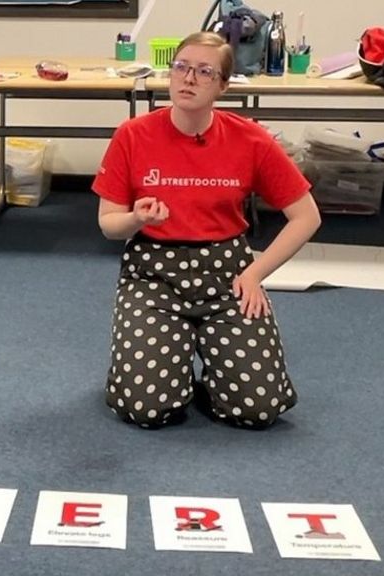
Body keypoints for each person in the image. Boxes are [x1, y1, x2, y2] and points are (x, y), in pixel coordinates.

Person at [92, 31, 321, 429]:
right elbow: (109, 225)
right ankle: (173, 366)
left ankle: (208, 372)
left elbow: (307, 217)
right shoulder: (133, 135)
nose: (189, 79)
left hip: (227, 272)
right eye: (181, 67)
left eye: (204, 71)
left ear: (223, 85)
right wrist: (136, 220)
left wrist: (254, 274)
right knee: (146, 408)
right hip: (154, 274)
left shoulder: (250, 139)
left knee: (257, 409)